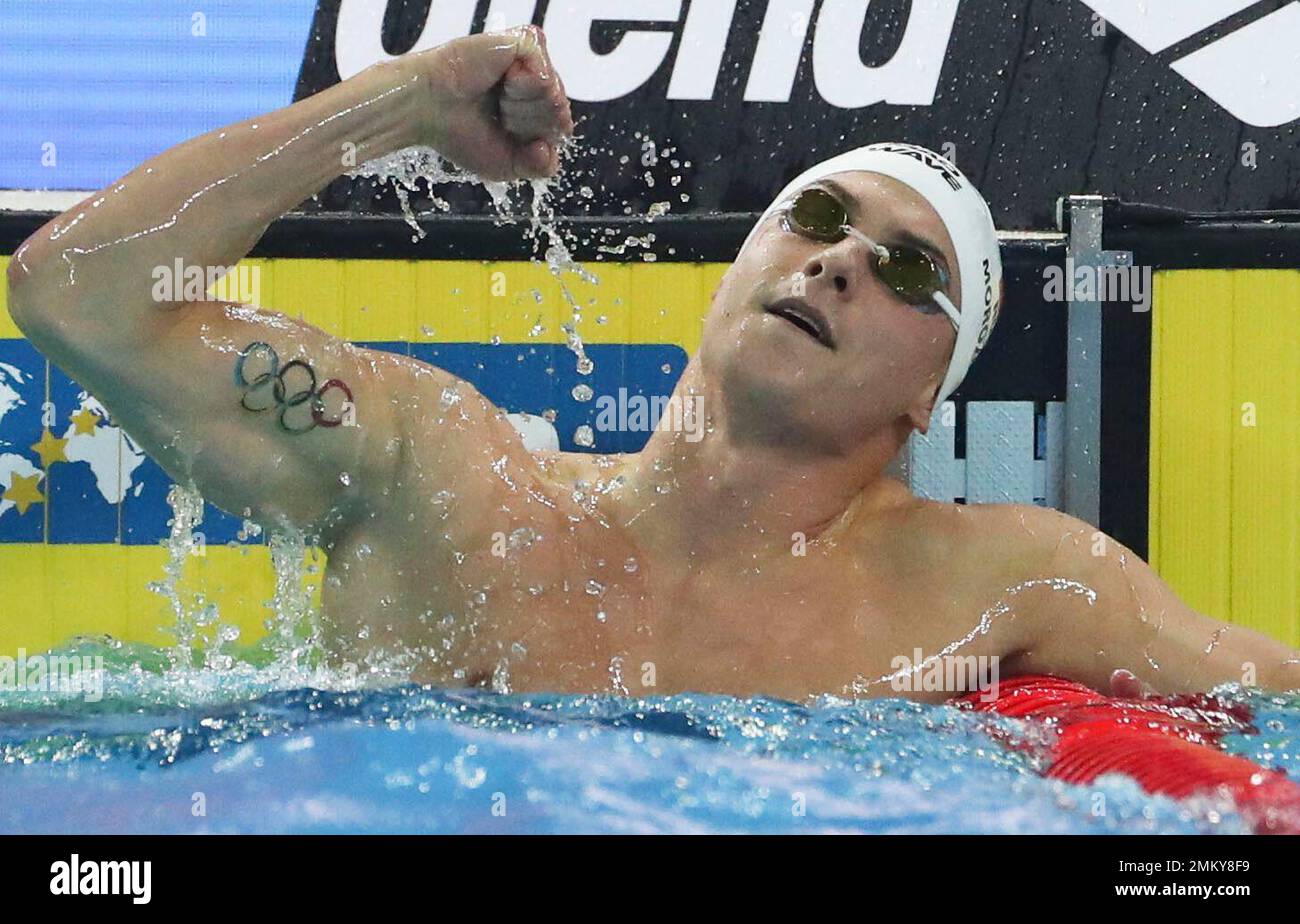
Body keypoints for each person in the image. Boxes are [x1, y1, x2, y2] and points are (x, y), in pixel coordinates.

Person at [9, 27, 1298, 701]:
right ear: (734, 267)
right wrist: (393, 109)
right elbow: (80, 296)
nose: (840, 263)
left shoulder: (1002, 581)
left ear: (932, 393)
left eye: (910, 272)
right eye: (815, 220)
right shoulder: (440, 477)